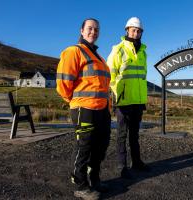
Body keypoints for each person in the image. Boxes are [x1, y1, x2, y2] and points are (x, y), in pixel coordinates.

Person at [56, 18, 111, 200]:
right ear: (81, 30)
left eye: (96, 29)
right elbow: (63, 83)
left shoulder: (100, 58)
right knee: (84, 147)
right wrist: (74, 101)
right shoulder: (74, 51)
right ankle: (80, 185)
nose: (93, 32)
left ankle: (94, 180)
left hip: (102, 110)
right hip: (84, 109)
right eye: (89, 28)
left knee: (100, 147)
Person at [107, 17, 150, 179]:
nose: (136, 33)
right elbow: (110, 75)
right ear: (127, 30)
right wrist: (118, 93)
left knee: (135, 134)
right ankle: (122, 166)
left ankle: (137, 162)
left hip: (138, 101)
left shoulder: (143, 52)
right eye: (134, 30)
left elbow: (141, 78)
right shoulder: (118, 50)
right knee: (122, 134)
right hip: (123, 101)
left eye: (139, 31)